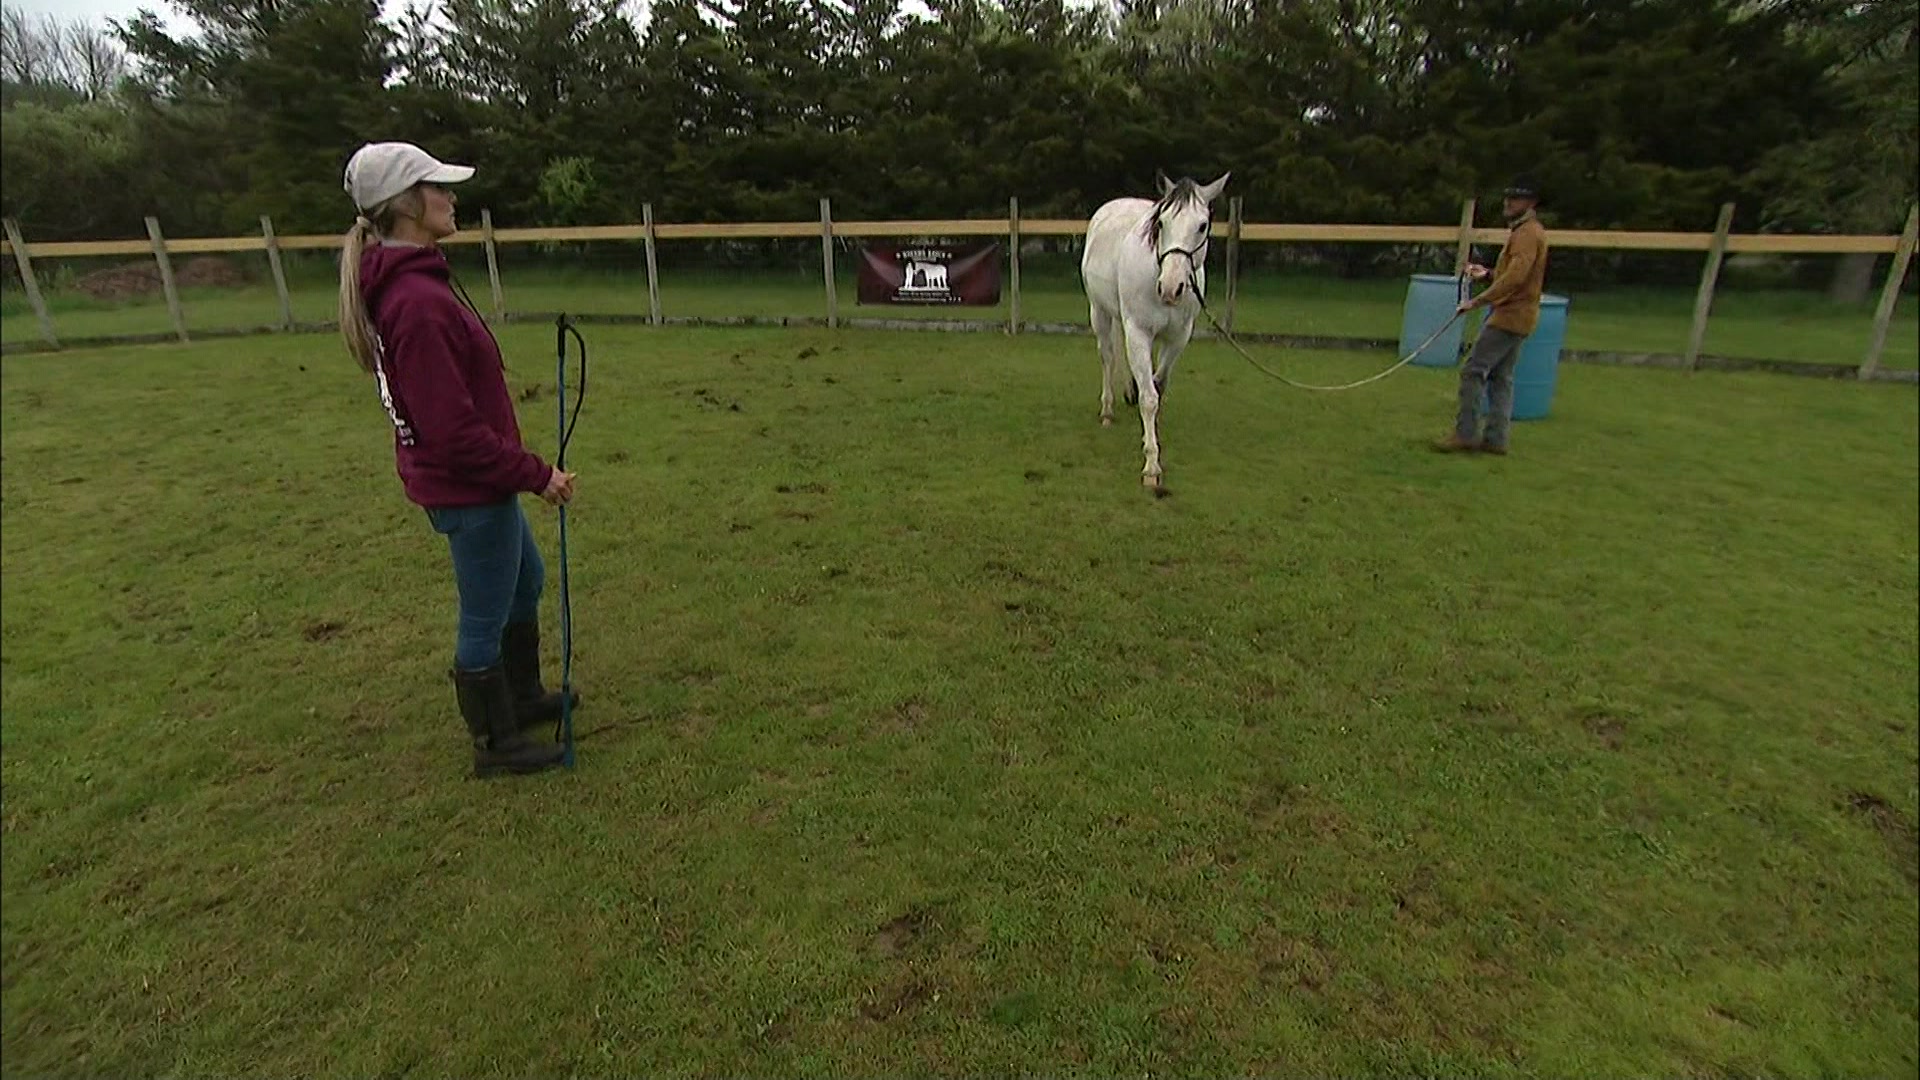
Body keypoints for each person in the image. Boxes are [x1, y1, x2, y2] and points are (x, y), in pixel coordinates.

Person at [336, 141, 581, 779]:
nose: (451, 197)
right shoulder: (416, 303)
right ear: (406, 204)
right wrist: (537, 474)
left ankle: (521, 698)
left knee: (523, 582)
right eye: (437, 186)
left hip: (476, 483)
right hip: (469, 489)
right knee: (484, 611)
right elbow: (452, 435)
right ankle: (495, 745)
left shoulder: (419, 282)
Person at [1435, 176, 1550, 456]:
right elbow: (1512, 275)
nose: (1509, 202)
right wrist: (1487, 274)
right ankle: (1496, 440)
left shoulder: (1527, 234)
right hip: (1520, 315)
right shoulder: (1526, 232)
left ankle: (1465, 434)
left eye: (1517, 198)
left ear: (1531, 203)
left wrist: (1477, 302)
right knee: (1501, 377)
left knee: (1473, 371)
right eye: (1508, 197)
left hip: (1510, 315)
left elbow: (1516, 278)